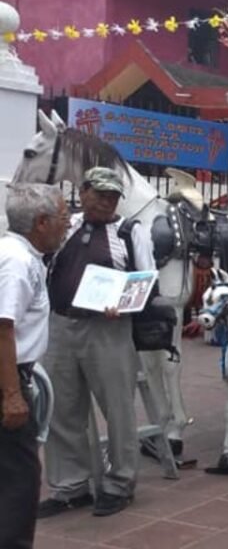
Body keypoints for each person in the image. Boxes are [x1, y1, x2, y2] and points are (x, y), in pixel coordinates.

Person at [38, 167, 154, 520]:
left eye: (112, 196)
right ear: (83, 191)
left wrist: (125, 303)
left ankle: (119, 482)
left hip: (108, 329)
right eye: (99, 194)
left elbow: (147, 280)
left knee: (117, 408)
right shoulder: (67, 225)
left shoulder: (130, 232)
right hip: (61, 324)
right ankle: (70, 485)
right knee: (62, 408)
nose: (105, 202)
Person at [0, 184, 68, 549]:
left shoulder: (19, 256)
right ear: (41, 223)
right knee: (19, 479)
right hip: (7, 377)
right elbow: (3, 327)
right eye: (63, 216)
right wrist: (11, 393)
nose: (67, 223)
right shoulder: (17, 261)